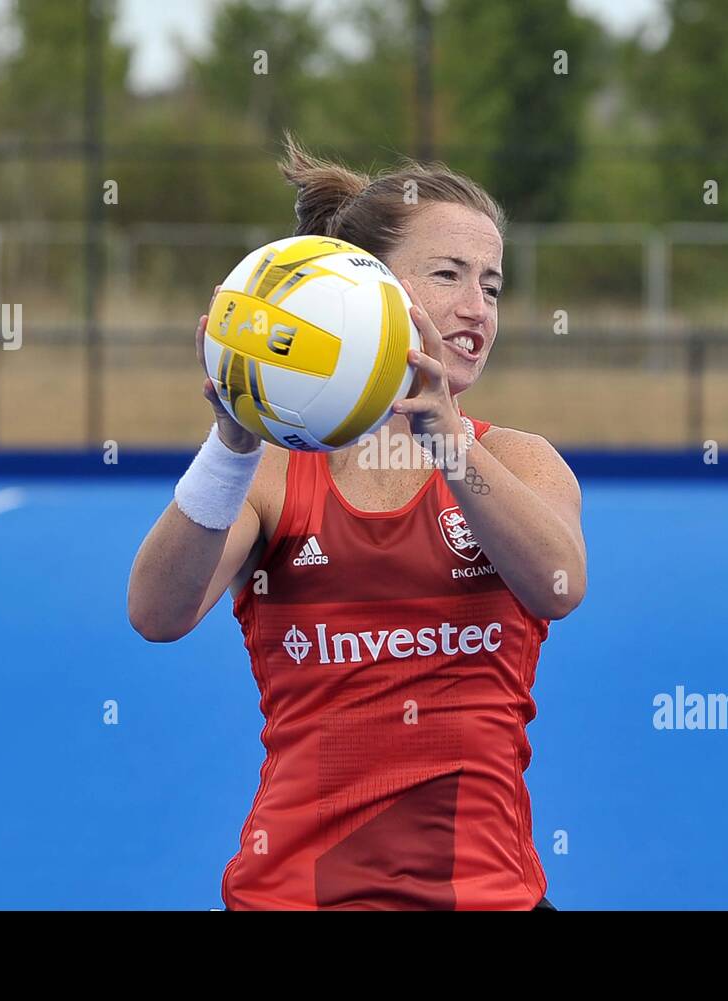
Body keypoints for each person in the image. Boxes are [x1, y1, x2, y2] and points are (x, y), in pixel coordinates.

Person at [128, 134, 587, 910]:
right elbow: (156, 613)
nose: (477, 308)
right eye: (449, 275)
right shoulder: (270, 472)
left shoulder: (518, 460)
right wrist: (231, 441)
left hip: (487, 895)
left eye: (494, 285)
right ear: (367, 288)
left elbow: (558, 586)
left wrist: (446, 442)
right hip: (296, 895)